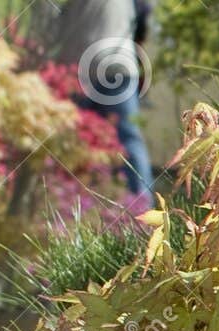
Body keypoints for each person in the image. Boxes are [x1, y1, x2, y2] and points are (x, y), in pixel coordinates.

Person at [46, 0, 155, 205]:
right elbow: (142, 15)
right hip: (104, 65)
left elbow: (53, 25)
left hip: (83, 67)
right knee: (128, 139)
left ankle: (62, 206)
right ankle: (143, 209)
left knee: (69, 142)